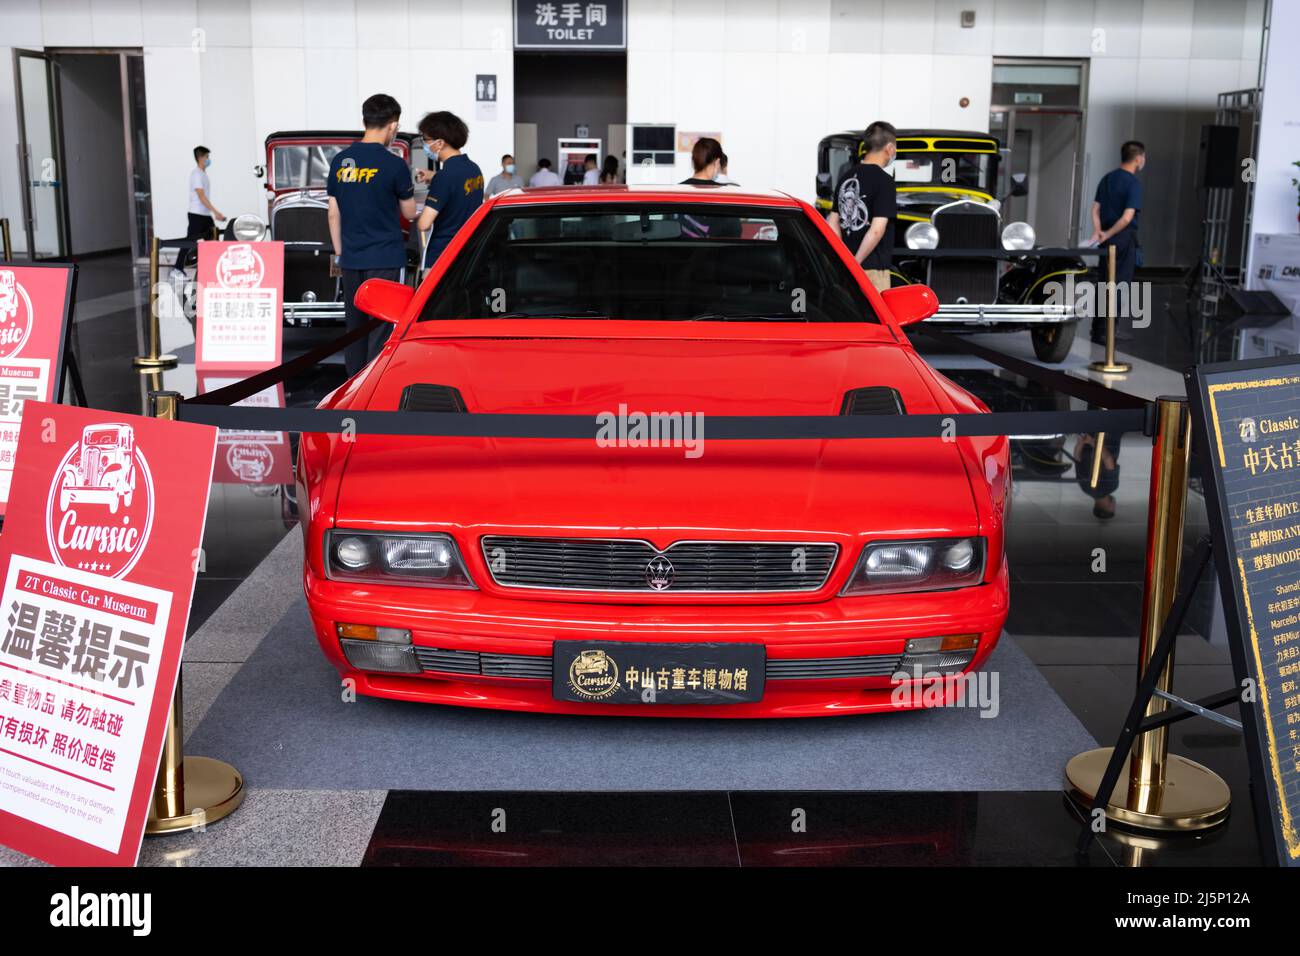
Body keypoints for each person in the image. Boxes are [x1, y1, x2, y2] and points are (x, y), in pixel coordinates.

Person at [326, 93, 416, 376]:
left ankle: (353, 387)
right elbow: (410, 212)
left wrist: (341, 253)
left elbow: (332, 213)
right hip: (386, 258)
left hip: (351, 259)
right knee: (382, 328)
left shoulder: (340, 162)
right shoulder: (394, 165)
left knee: (355, 328)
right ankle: (376, 389)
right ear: (392, 126)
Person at [827, 120, 897, 293]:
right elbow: (876, 230)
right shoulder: (885, 181)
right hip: (872, 270)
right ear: (889, 148)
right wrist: (855, 263)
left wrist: (844, 259)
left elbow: (832, 222)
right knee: (875, 319)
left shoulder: (846, 176)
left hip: (843, 269)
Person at [1088, 140, 1145, 342]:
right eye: (1143, 158)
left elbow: (1095, 209)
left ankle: (1097, 329)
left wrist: (1099, 232)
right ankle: (1109, 332)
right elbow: (1127, 217)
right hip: (1122, 238)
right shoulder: (1133, 184)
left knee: (1103, 282)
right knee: (1119, 285)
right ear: (1138, 159)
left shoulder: (1107, 179)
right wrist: (1110, 233)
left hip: (1105, 240)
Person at [414, 111, 484, 274]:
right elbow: (457, 186)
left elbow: (424, 224)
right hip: (468, 251)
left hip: (442, 256)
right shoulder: (474, 169)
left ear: (439, 143)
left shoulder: (445, 177)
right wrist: (434, 177)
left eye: (425, 140)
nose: (424, 145)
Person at [174, 146, 224, 277]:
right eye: (207, 157)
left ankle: (210, 269)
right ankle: (177, 269)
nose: (208, 160)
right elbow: (201, 196)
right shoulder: (196, 174)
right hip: (196, 215)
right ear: (201, 158)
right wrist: (216, 212)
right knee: (189, 241)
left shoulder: (203, 174)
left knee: (212, 240)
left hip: (205, 215)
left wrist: (211, 213)